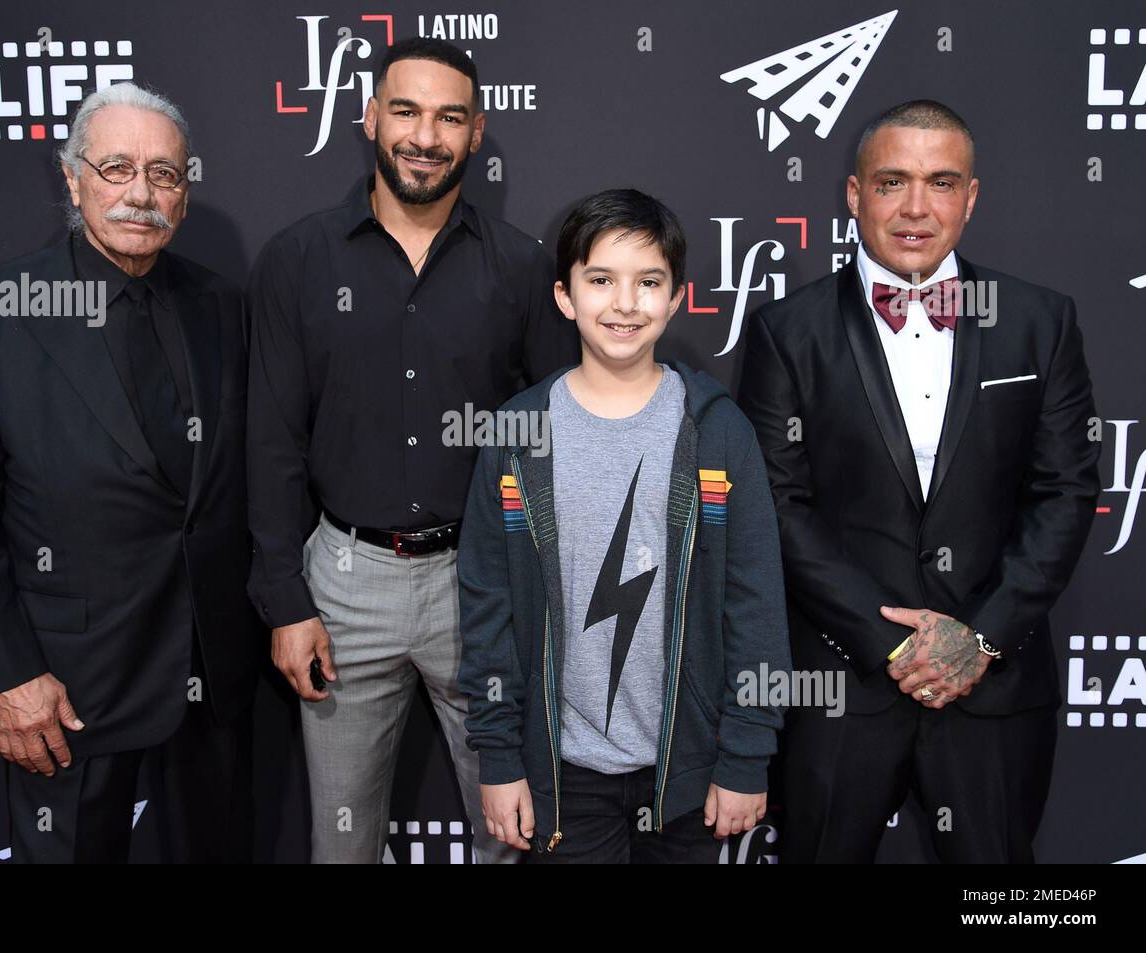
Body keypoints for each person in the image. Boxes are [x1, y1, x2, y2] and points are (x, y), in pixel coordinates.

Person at [738, 100, 1100, 863]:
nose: (914, 208)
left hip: (993, 686)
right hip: (840, 684)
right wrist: (890, 644)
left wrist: (981, 638)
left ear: (971, 197)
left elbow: (1066, 492)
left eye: (941, 183)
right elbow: (777, 502)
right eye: (891, 181)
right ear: (853, 194)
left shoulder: (1041, 321)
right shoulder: (786, 332)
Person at [246, 37, 579, 863]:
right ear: (370, 118)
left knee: (517, 836)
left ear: (475, 132)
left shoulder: (522, 266)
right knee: (342, 843)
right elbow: (273, 440)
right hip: (343, 586)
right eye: (405, 110)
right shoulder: (297, 258)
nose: (424, 136)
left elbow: (558, 442)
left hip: (484, 584)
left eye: (448, 117)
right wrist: (286, 599)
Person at [0, 83, 260, 863]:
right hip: (69, 688)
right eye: (116, 168)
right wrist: (11, 675)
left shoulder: (224, 307)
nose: (141, 193)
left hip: (213, 679)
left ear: (185, 189)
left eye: (165, 174)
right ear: (72, 178)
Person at [458, 188, 791, 862]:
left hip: (692, 770)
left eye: (648, 282)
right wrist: (498, 755)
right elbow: (487, 604)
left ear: (675, 298)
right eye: (601, 280)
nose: (625, 303)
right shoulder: (518, 436)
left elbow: (754, 601)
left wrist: (746, 754)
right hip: (566, 772)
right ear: (564, 295)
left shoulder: (718, 432)